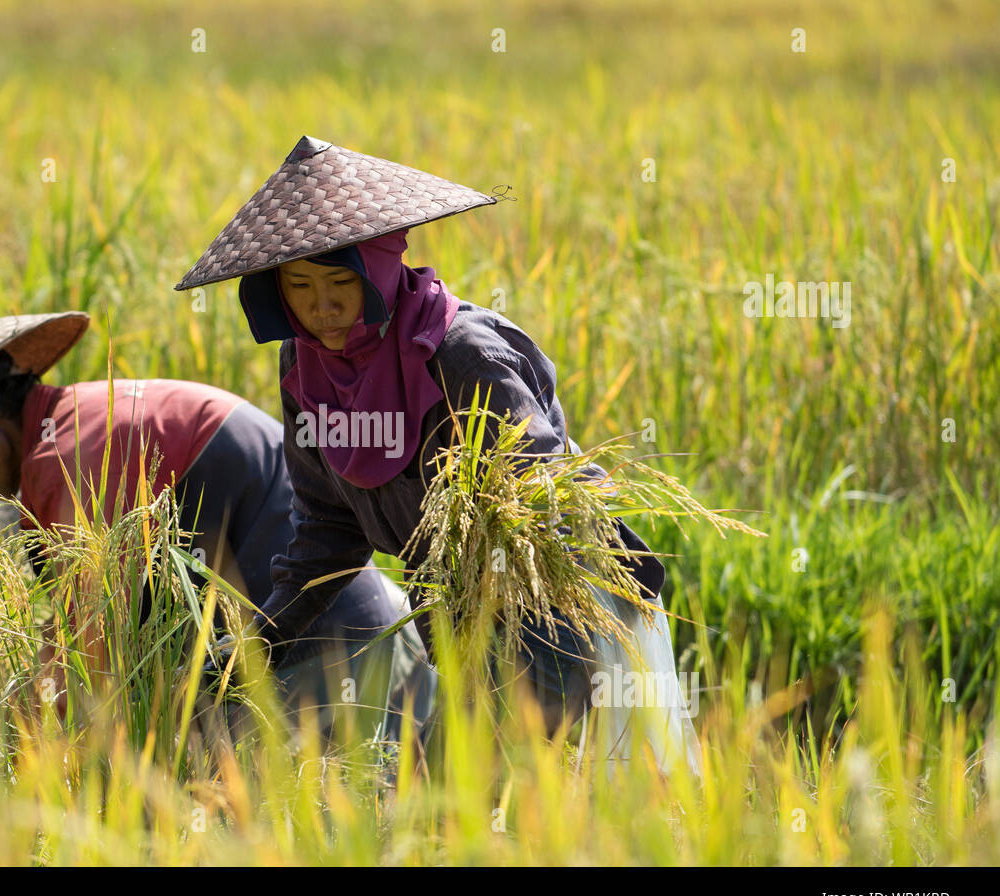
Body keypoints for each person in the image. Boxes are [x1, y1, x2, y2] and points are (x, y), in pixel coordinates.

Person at [176, 136, 700, 773]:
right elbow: (326, 531)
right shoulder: (307, 372)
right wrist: (261, 640)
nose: (322, 309)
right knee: (459, 798)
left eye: (342, 282)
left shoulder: (460, 355)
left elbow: (544, 500)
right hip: (453, 616)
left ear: (380, 269)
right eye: (300, 287)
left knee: (478, 795)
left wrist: (496, 594)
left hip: (550, 602)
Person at [0, 312, 435, 743]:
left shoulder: (71, 464)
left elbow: (98, 665)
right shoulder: (79, 424)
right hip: (367, 644)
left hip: (340, 665)